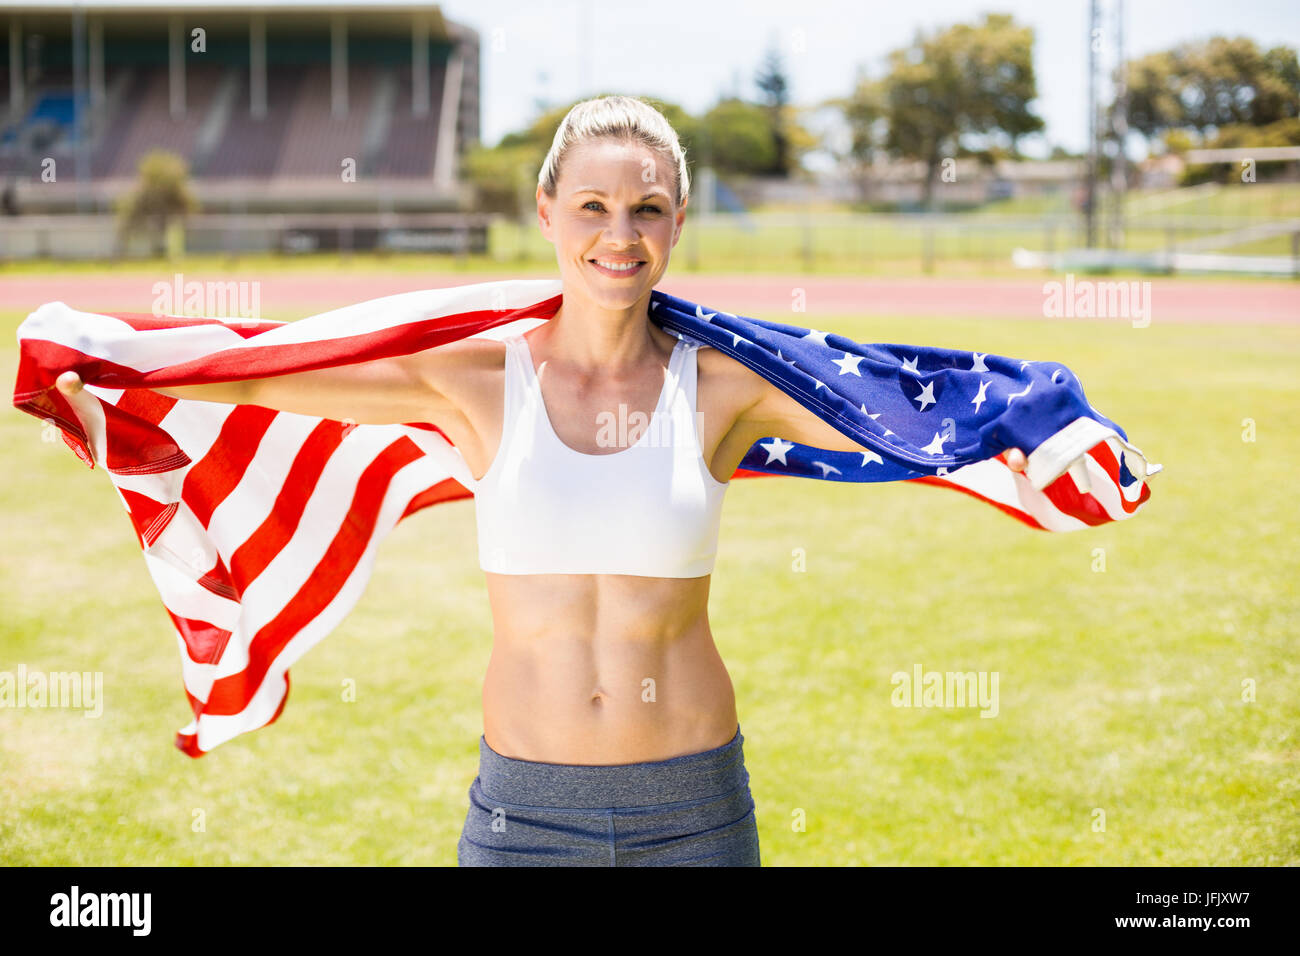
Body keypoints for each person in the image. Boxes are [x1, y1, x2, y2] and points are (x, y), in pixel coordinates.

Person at [55, 95, 1028, 866]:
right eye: (593, 207)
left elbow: (904, 423)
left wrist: (1022, 434)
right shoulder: (470, 379)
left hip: (692, 812)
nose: (620, 234)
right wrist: (105, 370)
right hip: (526, 815)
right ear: (548, 214)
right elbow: (261, 368)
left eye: (647, 208)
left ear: (677, 222)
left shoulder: (726, 385)